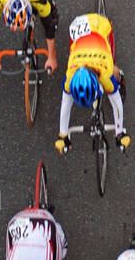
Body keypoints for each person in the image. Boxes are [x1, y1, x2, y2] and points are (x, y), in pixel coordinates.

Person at [55, 9, 130, 155]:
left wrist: (120, 132)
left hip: (100, 29)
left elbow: (116, 102)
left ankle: (120, 77)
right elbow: (66, 103)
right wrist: (62, 135)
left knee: (113, 68)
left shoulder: (104, 73)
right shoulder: (70, 76)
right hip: (78, 30)